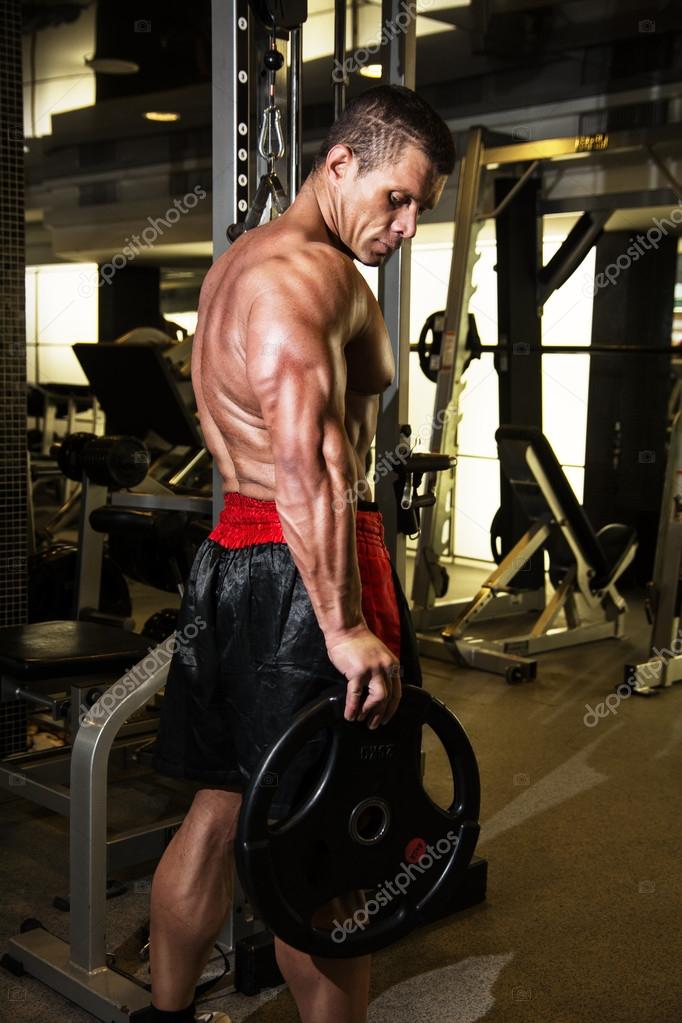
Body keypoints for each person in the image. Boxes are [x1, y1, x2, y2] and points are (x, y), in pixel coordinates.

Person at [149, 84, 455, 1023]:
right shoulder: (315, 280)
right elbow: (312, 466)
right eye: (396, 198)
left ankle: (163, 1014)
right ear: (339, 164)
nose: (404, 225)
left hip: (234, 558)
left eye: (420, 210)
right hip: (305, 572)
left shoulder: (236, 266)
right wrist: (345, 625)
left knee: (217, 806)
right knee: (324, 845)